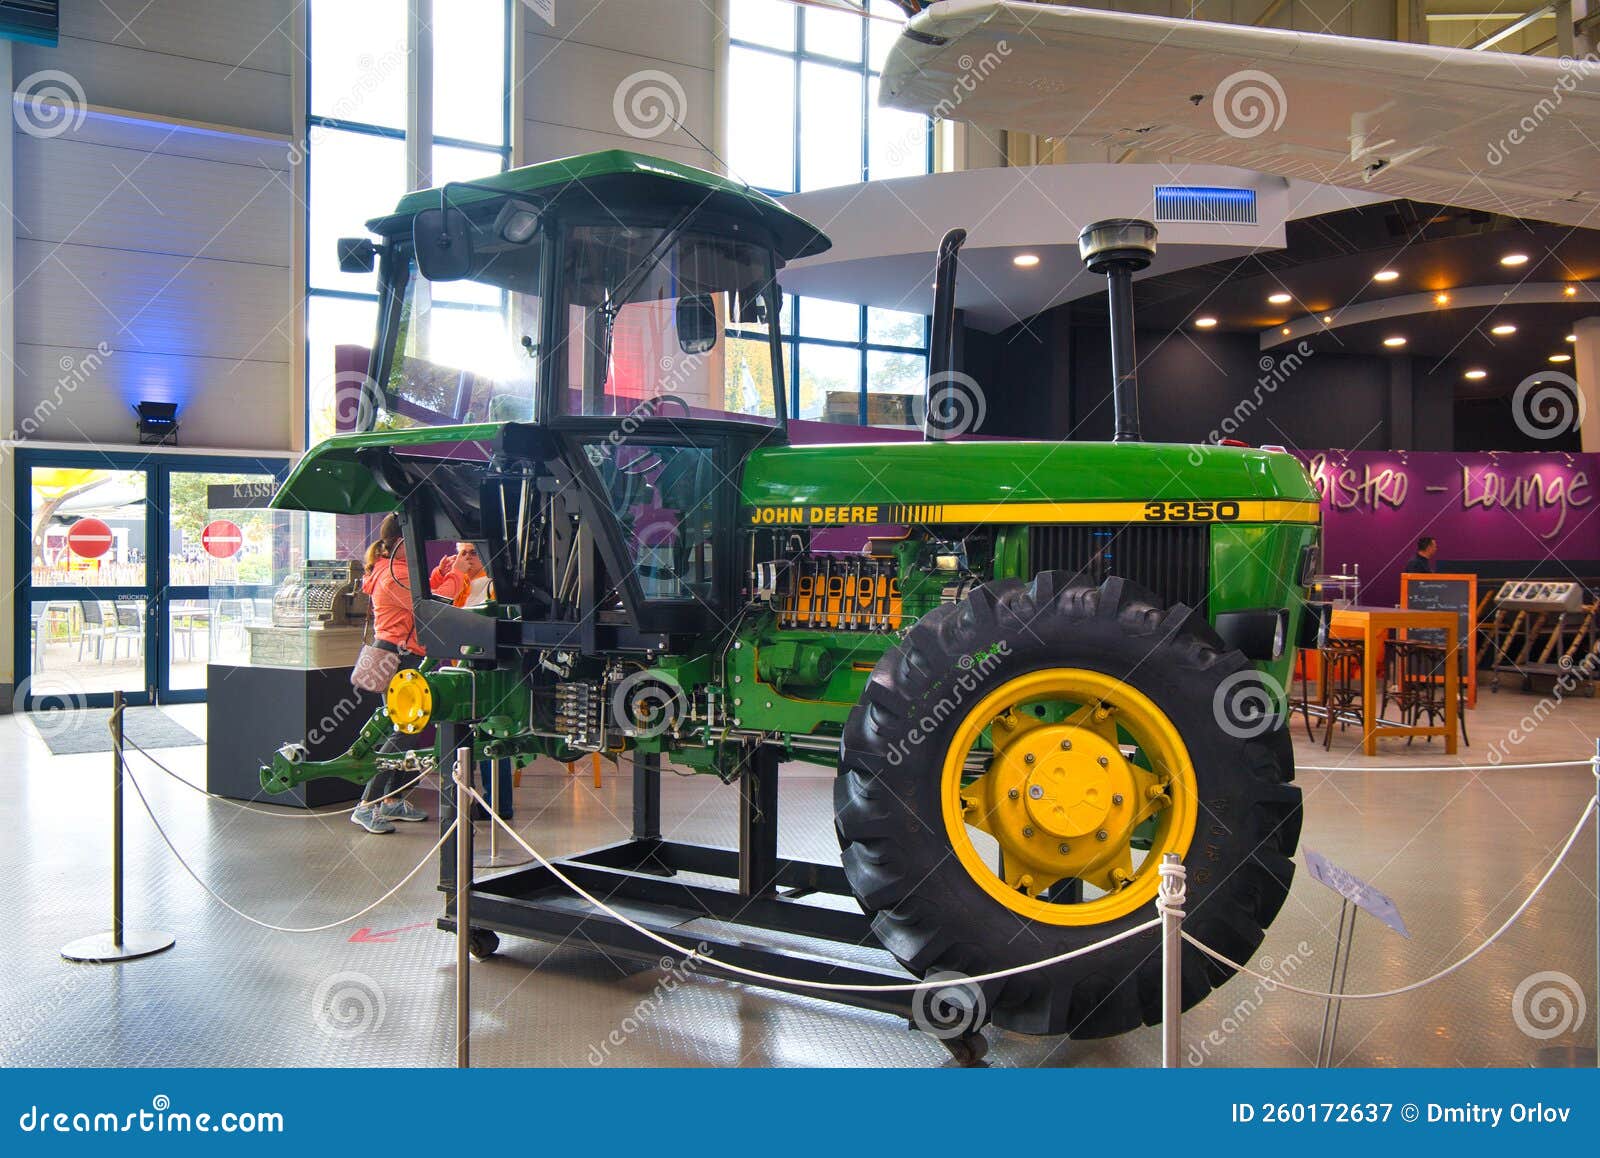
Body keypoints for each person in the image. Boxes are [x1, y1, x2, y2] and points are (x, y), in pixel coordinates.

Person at [352, 514, 431, 834]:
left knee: (409, 730)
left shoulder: (388, 570)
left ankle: (391, 799)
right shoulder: (396, 575)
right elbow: (429, 604)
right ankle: (366, 805)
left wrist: (444, 573)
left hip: (401, 655)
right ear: (402, 541)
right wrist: (454, 575)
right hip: (399, 658)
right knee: (401, 731)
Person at [429, 542, 492, 607]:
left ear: (486, 556)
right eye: (463, 553)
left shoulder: (492, 584)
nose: (467, 557)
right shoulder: (457, 579)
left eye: (474, 553)